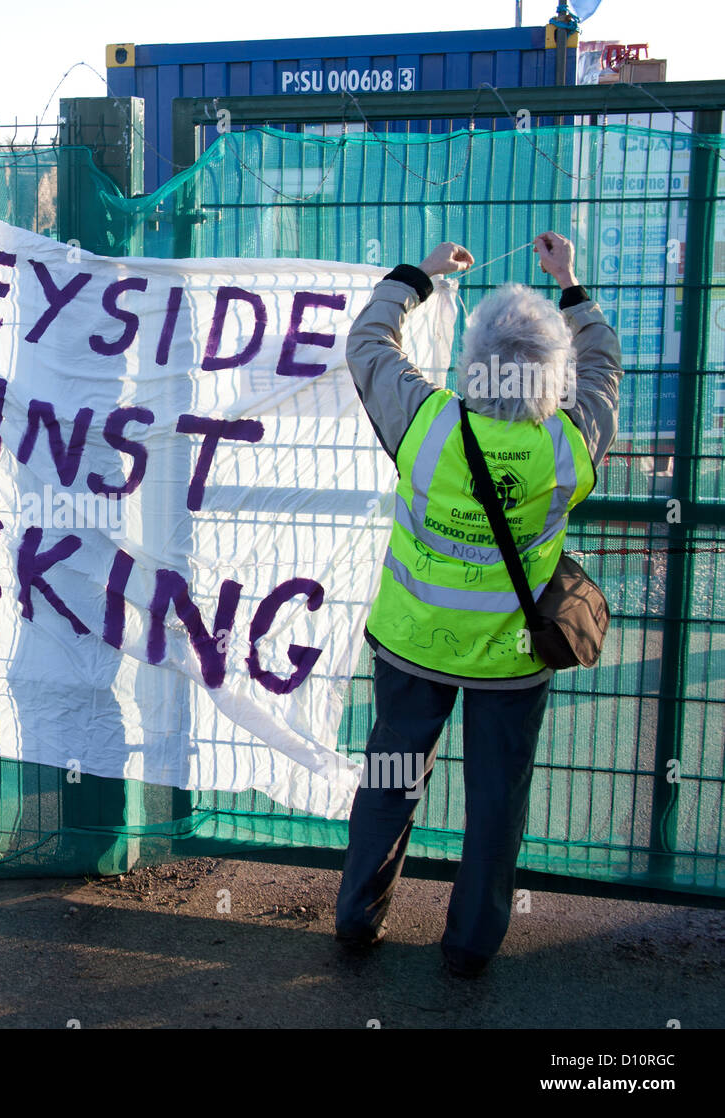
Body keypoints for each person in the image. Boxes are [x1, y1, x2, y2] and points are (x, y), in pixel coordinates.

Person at [335, 232, 622, 976]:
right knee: (496, 804)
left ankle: (357, 922)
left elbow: (368, 341)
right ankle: (470, 946)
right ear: (551, 378)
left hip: (413, 645)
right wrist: (571, 284)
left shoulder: (425, 425)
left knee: (392, 783)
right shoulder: (568, 447)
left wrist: (420, 275)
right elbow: (607, 373)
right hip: (513, 660)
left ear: (474, 361)